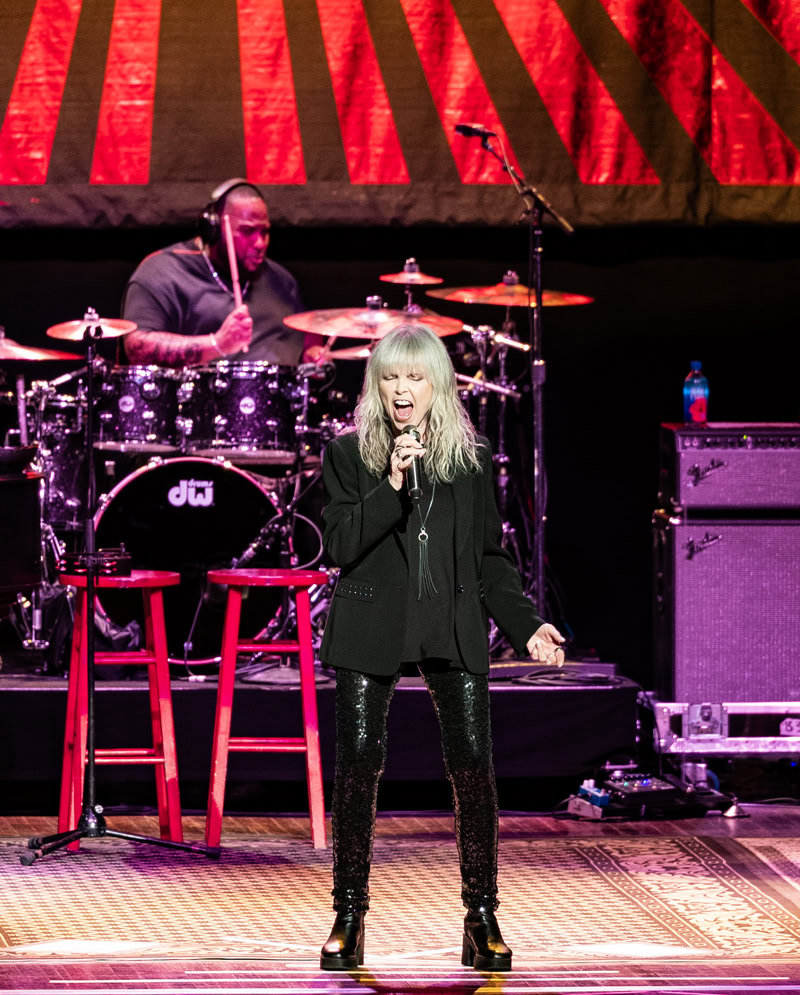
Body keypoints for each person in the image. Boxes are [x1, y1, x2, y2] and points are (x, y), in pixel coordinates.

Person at [318, 323, 566, 972]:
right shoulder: (350, 453)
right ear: (377, 386)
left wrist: (527, 624)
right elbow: (341, 544)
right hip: (372, 627)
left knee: (473, 763)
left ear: (438, 384)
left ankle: (481, 915)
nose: (403, 390)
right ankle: (349, 913)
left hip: (448, 627)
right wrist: (391, 485)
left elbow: (489, 560)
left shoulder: (471, 458)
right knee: (360, 761)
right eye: (391, 378)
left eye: (415, 377)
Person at [121, 179, 324, 367]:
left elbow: (306, 337)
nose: (260, 243)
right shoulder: (163, 272)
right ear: (214, 229)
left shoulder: (281, 281)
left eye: (264, 232)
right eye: (247, 231)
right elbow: (137, 348)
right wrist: (216, 344)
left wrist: (311, 354)